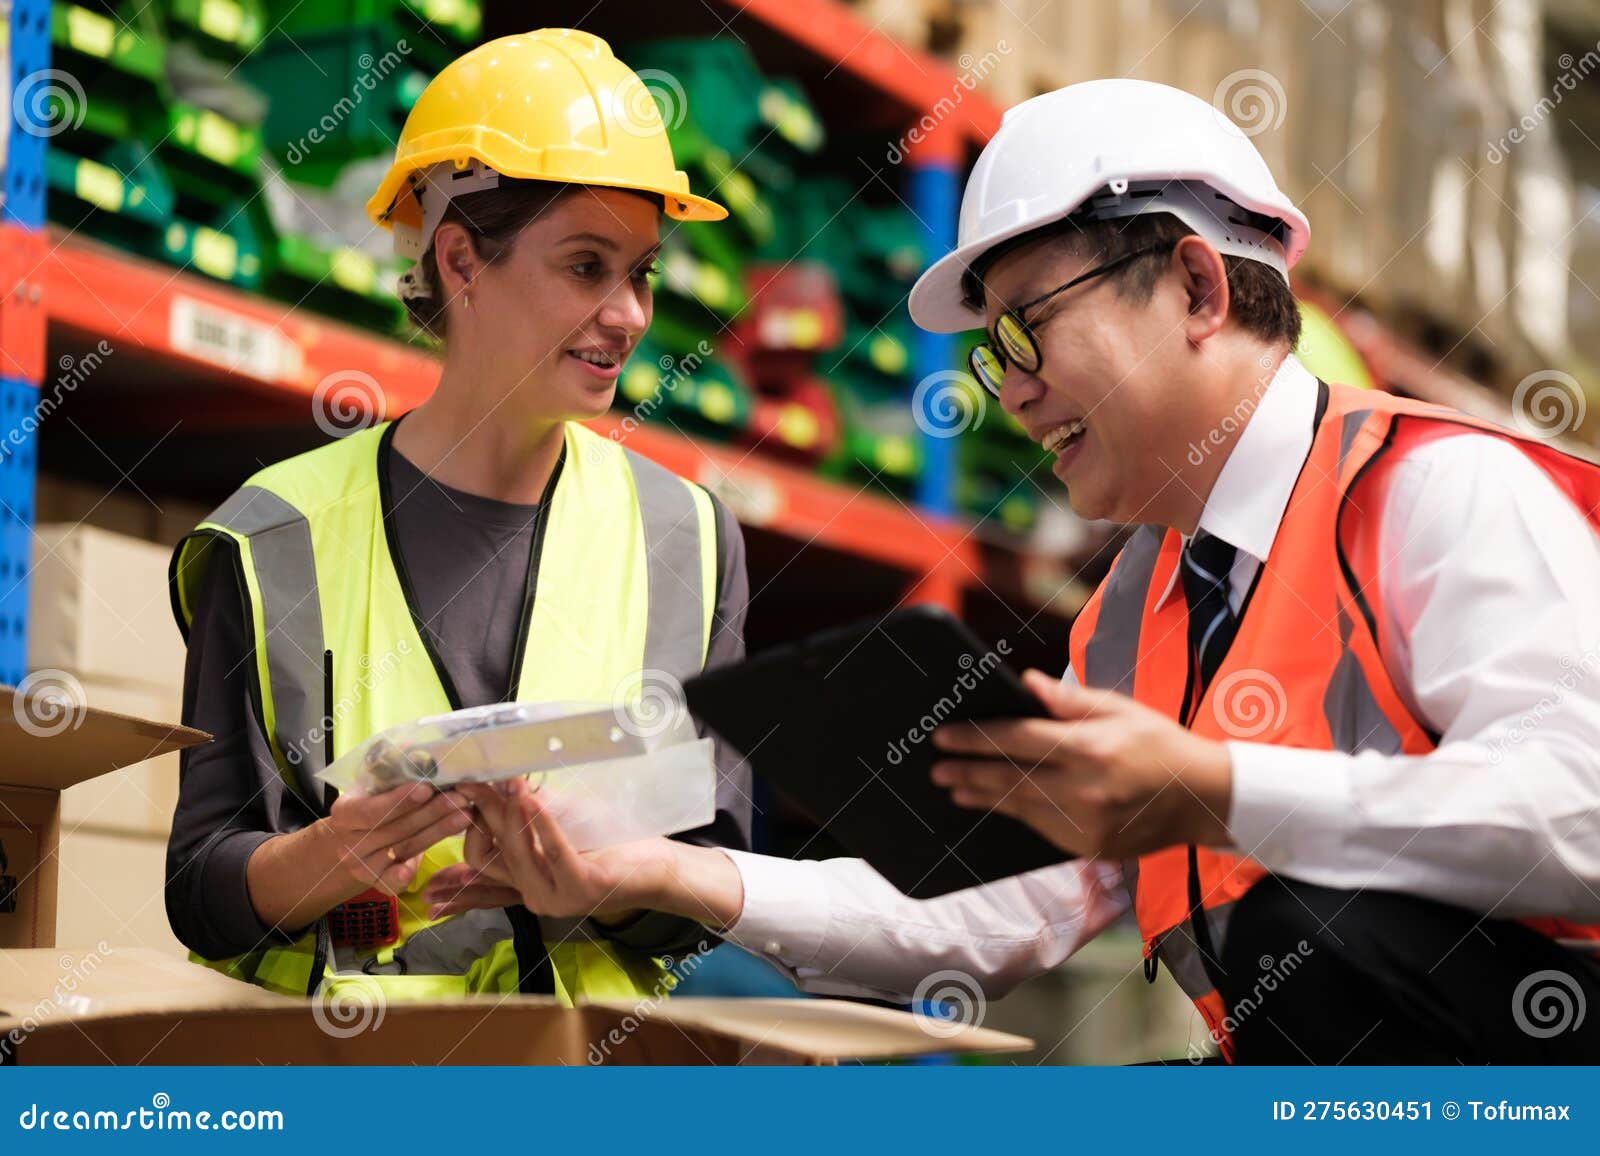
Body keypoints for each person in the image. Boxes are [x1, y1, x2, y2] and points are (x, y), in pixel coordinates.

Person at [437, 78, 1600, 1064]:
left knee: (1303, 922)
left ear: (1195, 286)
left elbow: (1583, 815)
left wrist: (1220, 788)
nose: (1011, 389)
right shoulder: (1132, 615)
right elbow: (1001, 910)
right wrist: (662, 875)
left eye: (1027, 328)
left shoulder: (1437, 492)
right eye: (991, 353)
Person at [164, 28, 751, 1004]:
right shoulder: (273, 538)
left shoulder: (686, 538)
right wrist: (326, 858)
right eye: (586, 266)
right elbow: (199, 882)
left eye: (642, 270)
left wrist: (597, 886)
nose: (631, 315)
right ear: (462, 259)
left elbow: (717, 864)